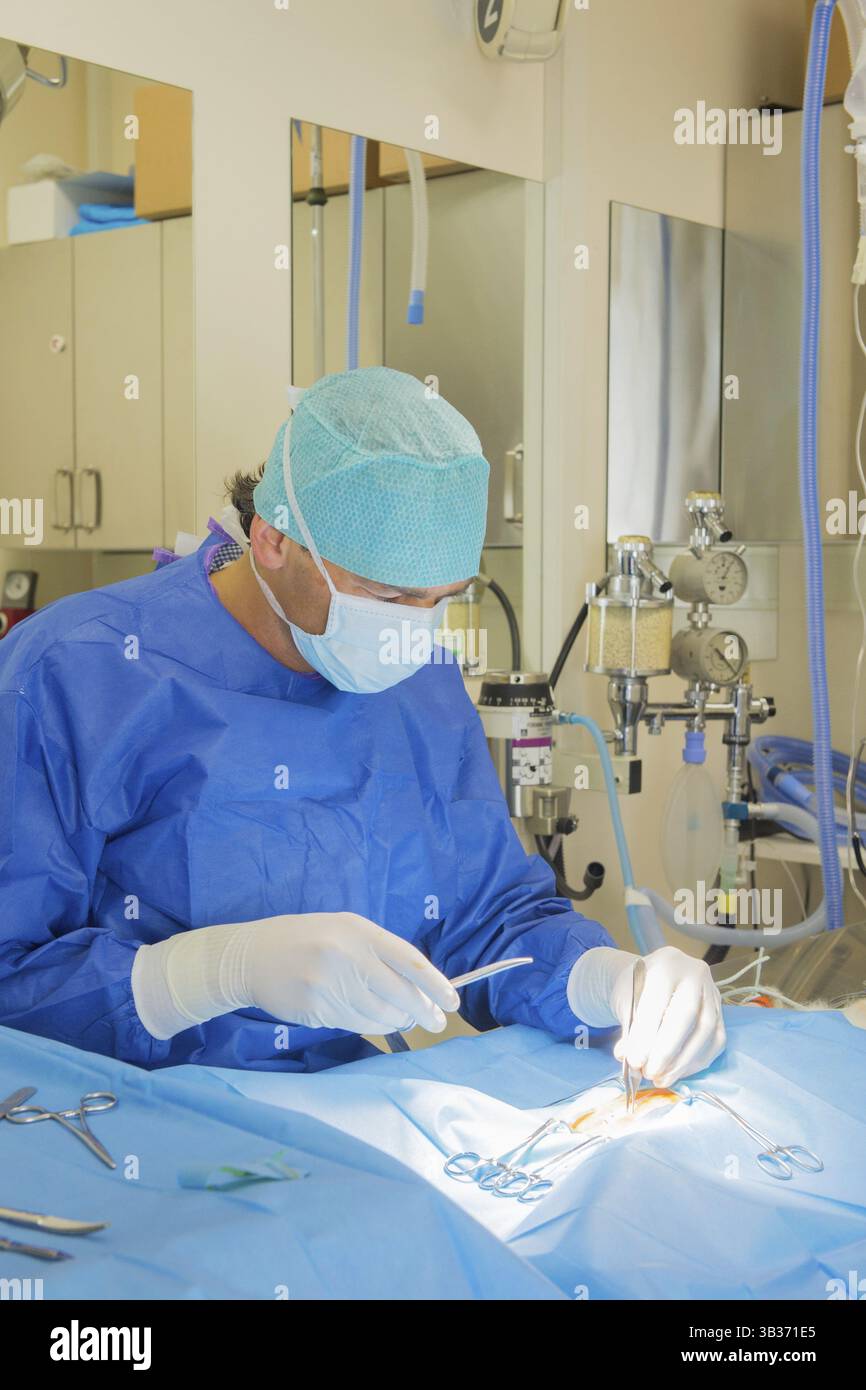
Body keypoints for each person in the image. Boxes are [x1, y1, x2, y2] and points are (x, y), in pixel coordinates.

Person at [0, 367, 725, 1078]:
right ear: (274, 542)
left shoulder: (421, 684)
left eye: (442, 599)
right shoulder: (75, 672)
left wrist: (607, 981)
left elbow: (489, 915)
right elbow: (11, 971)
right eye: (387, 596)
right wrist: (205, 974)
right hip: (123, 1126)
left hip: (336, 1126)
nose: (414, 631)